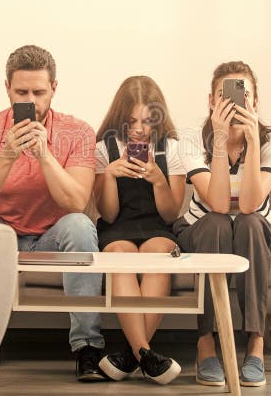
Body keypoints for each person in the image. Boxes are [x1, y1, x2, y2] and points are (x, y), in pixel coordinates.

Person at [0, 45, 106, 382]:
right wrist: (8, 155)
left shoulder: (78, 131)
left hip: (53, 234)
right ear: (7, 89)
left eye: (39, 92)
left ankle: (87, 347)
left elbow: (76, 202)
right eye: (22, 91)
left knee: (80, 226)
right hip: (3, 234)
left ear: (54, 89)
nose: (32, 100)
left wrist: (45, 155)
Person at [175, 61, 271, 388]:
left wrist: (252, 144)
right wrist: (221, 141)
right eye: (225, 96)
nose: (236, 103)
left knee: (249, 223)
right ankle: (206, 342)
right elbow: (220, 204)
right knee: (217, 223)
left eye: (244, 95)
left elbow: (251, 204)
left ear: (255, 102)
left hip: (258, 231)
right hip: (203, 227)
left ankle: (255, 342)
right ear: (212, 101)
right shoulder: (193, 140)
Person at [92, 76, 186, 385]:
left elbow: (171, 213)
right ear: (120, 117)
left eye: (146, 121)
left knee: (157, 254)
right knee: (121, 255)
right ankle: (146, 354)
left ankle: (133, 355)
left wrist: (159, 180)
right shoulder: (103, 147)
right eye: (131, 120)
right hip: (117, 226)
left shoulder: (170, 148)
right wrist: (109, 175)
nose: (138, 129)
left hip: (157, 225)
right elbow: (108, 213)